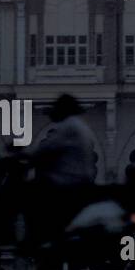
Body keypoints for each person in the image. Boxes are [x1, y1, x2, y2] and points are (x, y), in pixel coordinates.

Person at [27, 94, 98, 259]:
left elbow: (47, 148)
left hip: (68, 183)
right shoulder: (79, 125)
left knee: (29, 192)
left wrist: (24, 155)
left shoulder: (68, 126)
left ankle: (35, 237)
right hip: (79, 182)